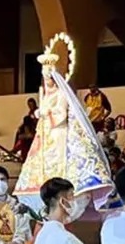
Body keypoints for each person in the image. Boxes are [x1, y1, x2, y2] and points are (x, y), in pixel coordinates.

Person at [15, 49, 115, 213]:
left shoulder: (61, 94)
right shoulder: (46, 95)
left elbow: (61, 115)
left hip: (58, 132)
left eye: (49, 75)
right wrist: (40, 113)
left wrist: (45, 113)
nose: (46, 79)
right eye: (44, 76)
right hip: (46, 133)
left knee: (57, 161)